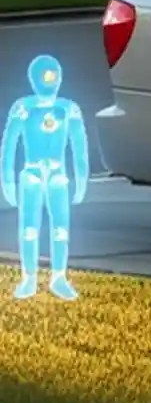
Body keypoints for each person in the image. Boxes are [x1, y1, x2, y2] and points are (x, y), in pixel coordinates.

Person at [1, 55, 89, 300]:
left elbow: (78, 146)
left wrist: (82, 179)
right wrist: (6, 179)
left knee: (60, 228)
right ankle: (29, 278)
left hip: (56, 174)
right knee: (29, 228)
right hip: (32, 172)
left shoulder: (67, 109)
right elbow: (9, 145)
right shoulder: (24, 108)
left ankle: (58, 277)